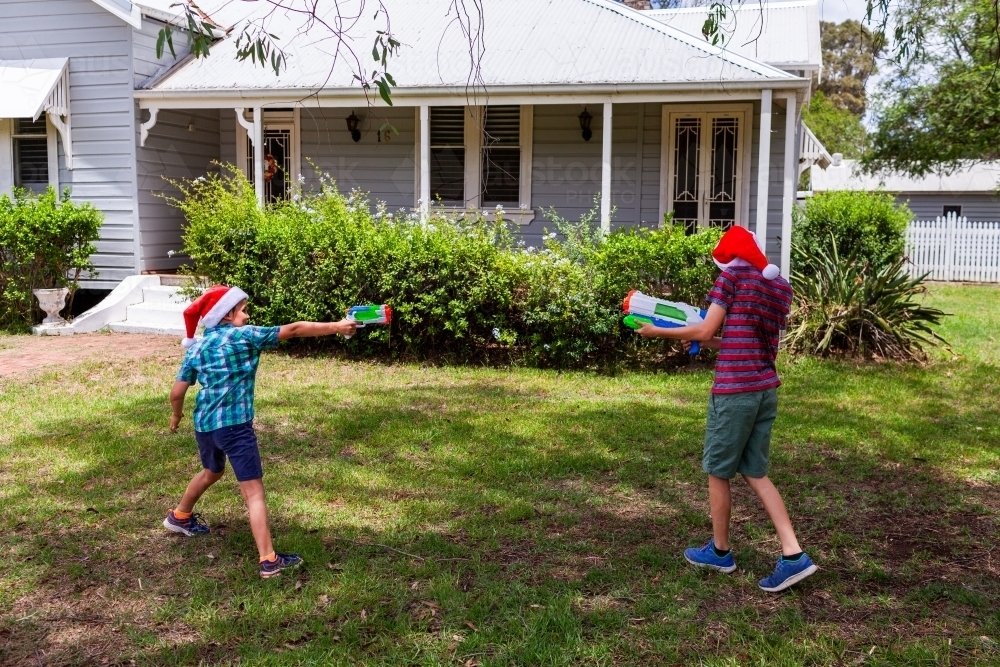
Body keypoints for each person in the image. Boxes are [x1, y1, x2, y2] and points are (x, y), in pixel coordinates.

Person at [637, 226, 816, 592]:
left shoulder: (732, 276)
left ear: (726, 256)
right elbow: (735, 338)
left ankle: (720, 552)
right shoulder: (777, 285)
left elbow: (703, 331)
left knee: (717, 470)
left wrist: (658, 331)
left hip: (735, 392)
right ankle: (794, 554)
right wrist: (704, 336)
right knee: (756, 472)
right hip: (765, 390)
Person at [163, 285, 357, 579]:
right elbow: (292, 330)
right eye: (242, 310)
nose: (248, 314)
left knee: (211, 472)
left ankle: (180, 517)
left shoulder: (198, 347)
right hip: (234, 427)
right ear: (226, 314)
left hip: (205, 426)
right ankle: (269, 560)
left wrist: (176, 416)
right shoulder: (243, 336)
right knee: (253, 492)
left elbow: (177, 391)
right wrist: (338, 327)